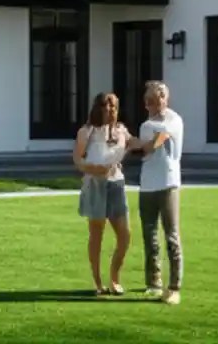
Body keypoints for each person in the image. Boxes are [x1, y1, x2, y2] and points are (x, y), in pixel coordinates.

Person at [72, 92, 131, 296]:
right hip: (95, 184)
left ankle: (115, 278)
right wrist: (95, 169)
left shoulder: (121, 130)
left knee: (124, 235)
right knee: (97, 234)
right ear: (97, 109)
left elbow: (137, 143)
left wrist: (156, 139)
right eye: (104, 107)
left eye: (113, 107)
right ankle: (98, 282)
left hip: (116, 184)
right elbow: (78, 160)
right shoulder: (87, 131)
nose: (109, 110)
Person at [133, 80, 184, 305]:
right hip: (147, 185)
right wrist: (140, 145)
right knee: (149, 234)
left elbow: (156, 142)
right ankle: (153, 282)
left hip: (168, 183)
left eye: (162, 97)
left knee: (171, 235)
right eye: (153, 100)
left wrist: (140, 144)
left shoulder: (174, 120)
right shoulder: (145, 126)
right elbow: (145, 150)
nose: (159, 102)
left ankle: (174, 287)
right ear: (147, 104)